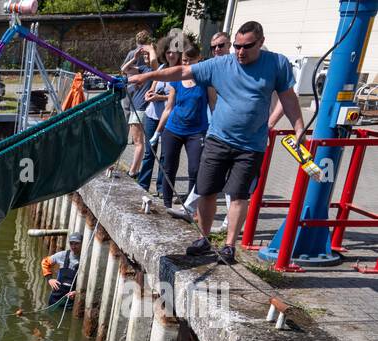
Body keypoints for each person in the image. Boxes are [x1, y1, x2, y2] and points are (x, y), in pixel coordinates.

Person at [130, 21, 304, 265]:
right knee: (206, 189)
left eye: (247, 46)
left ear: (261, 42)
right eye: (236, 46)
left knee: (238, 194)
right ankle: (204, 237)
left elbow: (288, 98)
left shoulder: (277, 63)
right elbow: (181, 72)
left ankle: (230, 245)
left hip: (251, 144)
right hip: (218, 138)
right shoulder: (222, 64)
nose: (240, 52)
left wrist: (298, 127)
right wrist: (148, 75)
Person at [155, 40, 216, 209]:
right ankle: (167, 204)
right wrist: (158, 132)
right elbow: (169, 106)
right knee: (168, 168)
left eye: (190, 60)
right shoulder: (177, 79)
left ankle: (190, 207)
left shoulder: (205, 80)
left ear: (199, 59)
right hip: (173, 129)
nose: (187, 64)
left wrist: (215, 128)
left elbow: (213, 105)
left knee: (195, 170)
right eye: (184, 61)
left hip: (196, 131)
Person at [139, 33, 182, 193]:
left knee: (165, 156)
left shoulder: (180, 72)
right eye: (168, 51)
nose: (171, 55)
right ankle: (143, 184)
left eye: (174, 52)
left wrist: (160, 97)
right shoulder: (162, 68)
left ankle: (161, 188)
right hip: (152, 115)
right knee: (149, 151)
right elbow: (153, 85)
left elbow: (176, 96)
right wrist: (149, 94)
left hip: (169, 117)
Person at [121, 31, 157, 177]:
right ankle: (134, 169)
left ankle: (133, 171)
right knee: (138, 141)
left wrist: (151, 49)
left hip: (142, 108)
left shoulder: (156, 70)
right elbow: (124, 69)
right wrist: (135, 58)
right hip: (136, 106)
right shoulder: (143, 69)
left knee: (138, 142)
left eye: (147, 56)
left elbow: (154, 62)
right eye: (145, 56)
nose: (146, 58)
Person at [41, 232, 81, 305]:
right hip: (55, 298)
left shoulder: (85, 260)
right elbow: (45, 262)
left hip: (71, 301)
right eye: (71, 243)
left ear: (82, 244)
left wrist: (77, 293)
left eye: (76, 244)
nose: (73, 247)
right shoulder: (63, 255)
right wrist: (49, 279)